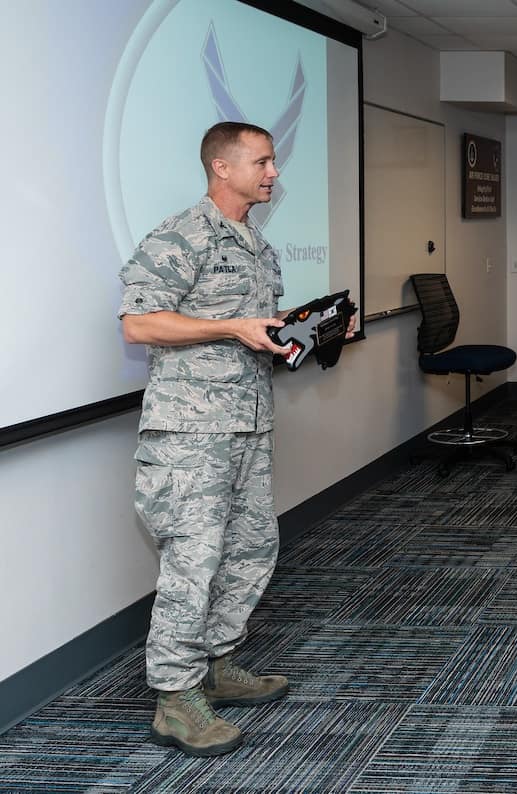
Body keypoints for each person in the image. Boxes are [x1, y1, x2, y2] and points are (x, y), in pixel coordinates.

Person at [119, 121, 354, 757]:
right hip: (190, 432)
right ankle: (174, 696)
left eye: (274, 161)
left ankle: (218, 665)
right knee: (192, 561)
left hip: (248, 423)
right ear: (222, 168)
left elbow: (256, 334)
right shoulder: (182, 234)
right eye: (263, 161)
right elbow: (139, 324)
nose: (274, 172)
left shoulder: (256, 244)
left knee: (251, 547)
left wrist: (311, 335)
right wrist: (231, 329)